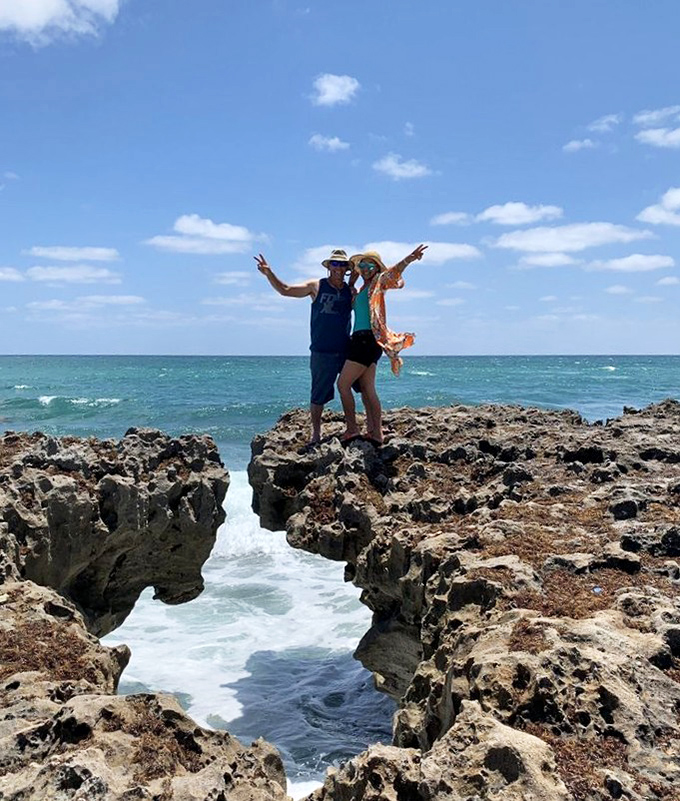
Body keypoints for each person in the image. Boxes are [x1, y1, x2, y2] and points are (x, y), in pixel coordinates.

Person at [255, 248, 355, 445]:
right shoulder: (316, 286)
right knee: (318, 394)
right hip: (321, 351)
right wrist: (269, 274)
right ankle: (316, 433)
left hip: (346, 350)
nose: (338, 268)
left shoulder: (350, 291)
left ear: (347, 269)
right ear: (329, 267)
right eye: (334, 264)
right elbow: (286, 290)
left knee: (353, 388)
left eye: (342, 264)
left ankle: (353, 428)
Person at [337, 244, 428, 445]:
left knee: (343, 384)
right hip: (362, 340)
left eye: (371, 265)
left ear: (377, 268)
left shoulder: (378, 282)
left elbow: (393, 273)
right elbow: (351, 300)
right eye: (362, 265)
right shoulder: (362, 289)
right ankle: (375, 433)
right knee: (367, 388)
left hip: (367, 340)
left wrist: (410, 258)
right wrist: (352, 279)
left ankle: (352, 429)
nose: (366, 268)